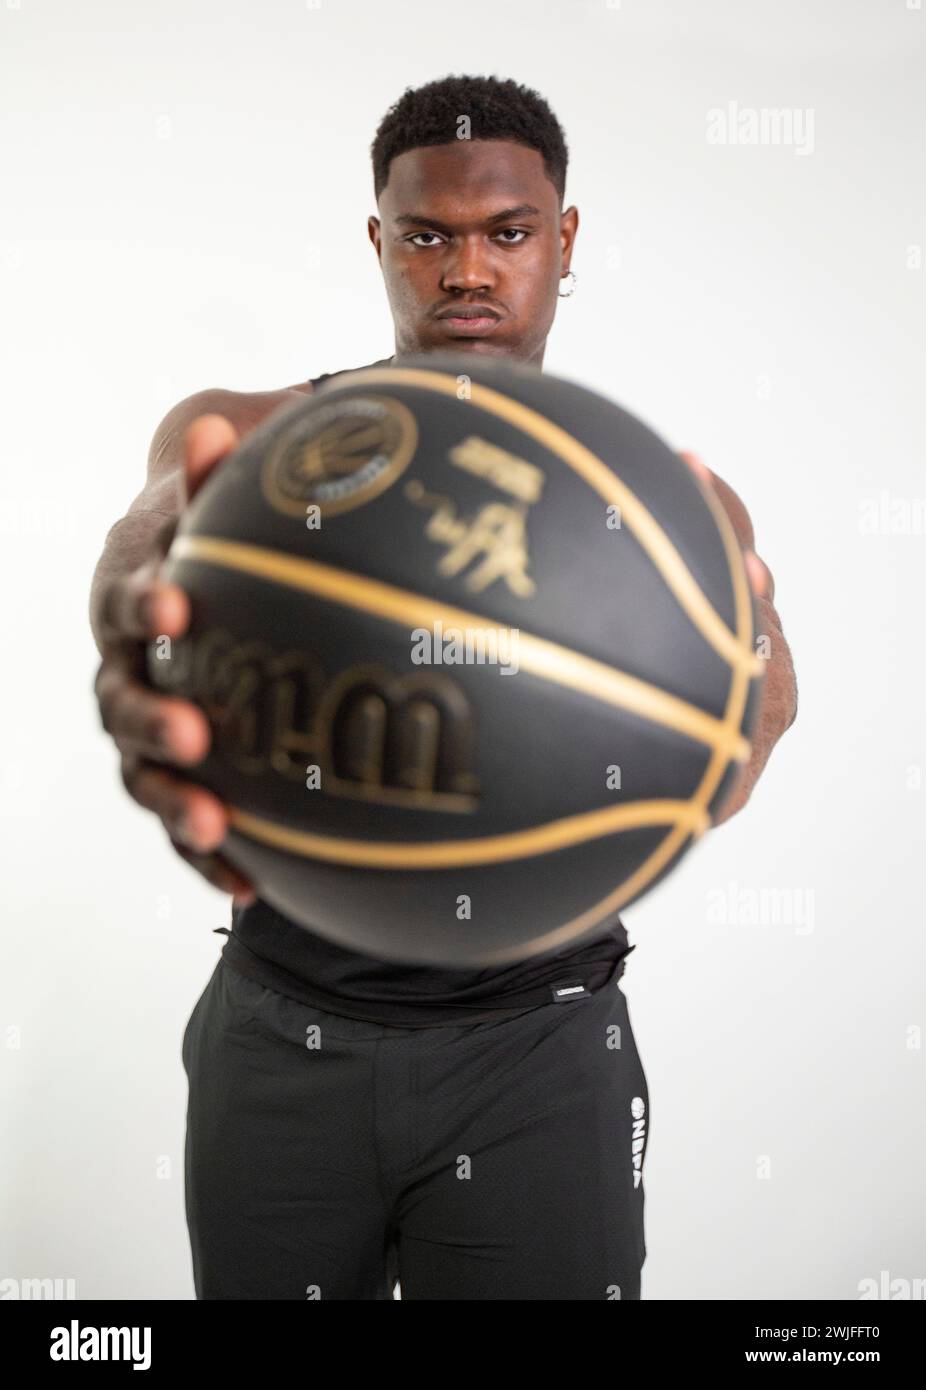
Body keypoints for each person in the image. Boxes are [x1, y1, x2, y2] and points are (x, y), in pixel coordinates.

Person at [90, 74, 798, 1300]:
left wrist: (697, 736)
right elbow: (147, 538)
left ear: (563, 240)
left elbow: (765, 702)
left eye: (508, 234)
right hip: (283, 1029)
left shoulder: (665, 510)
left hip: (539, 1047)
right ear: (380, 242)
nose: (467, 272)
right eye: (428, 236)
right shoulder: (251, 443)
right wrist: (136, 608)